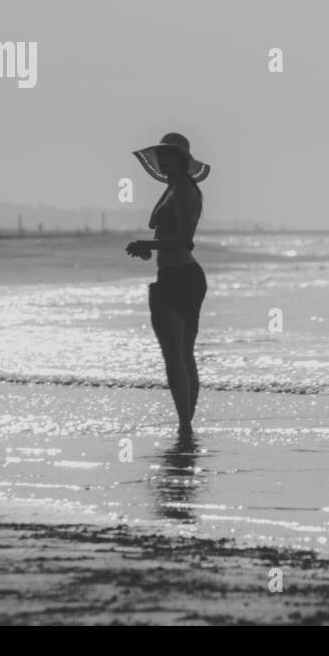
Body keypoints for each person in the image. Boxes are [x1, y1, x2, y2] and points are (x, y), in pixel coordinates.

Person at [126, 132, 209, 433]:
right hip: (180, 275)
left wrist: (146, 243)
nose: (162, 160)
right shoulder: (174, 189)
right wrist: (151, 248)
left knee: (175, 353)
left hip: (180, 276)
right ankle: (186, 424)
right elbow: (169, 238)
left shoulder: (184, 190)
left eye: (167, 155)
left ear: (182, 160)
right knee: (182, 352)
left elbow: (185, 239)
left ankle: (184, 426)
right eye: (160, 156)